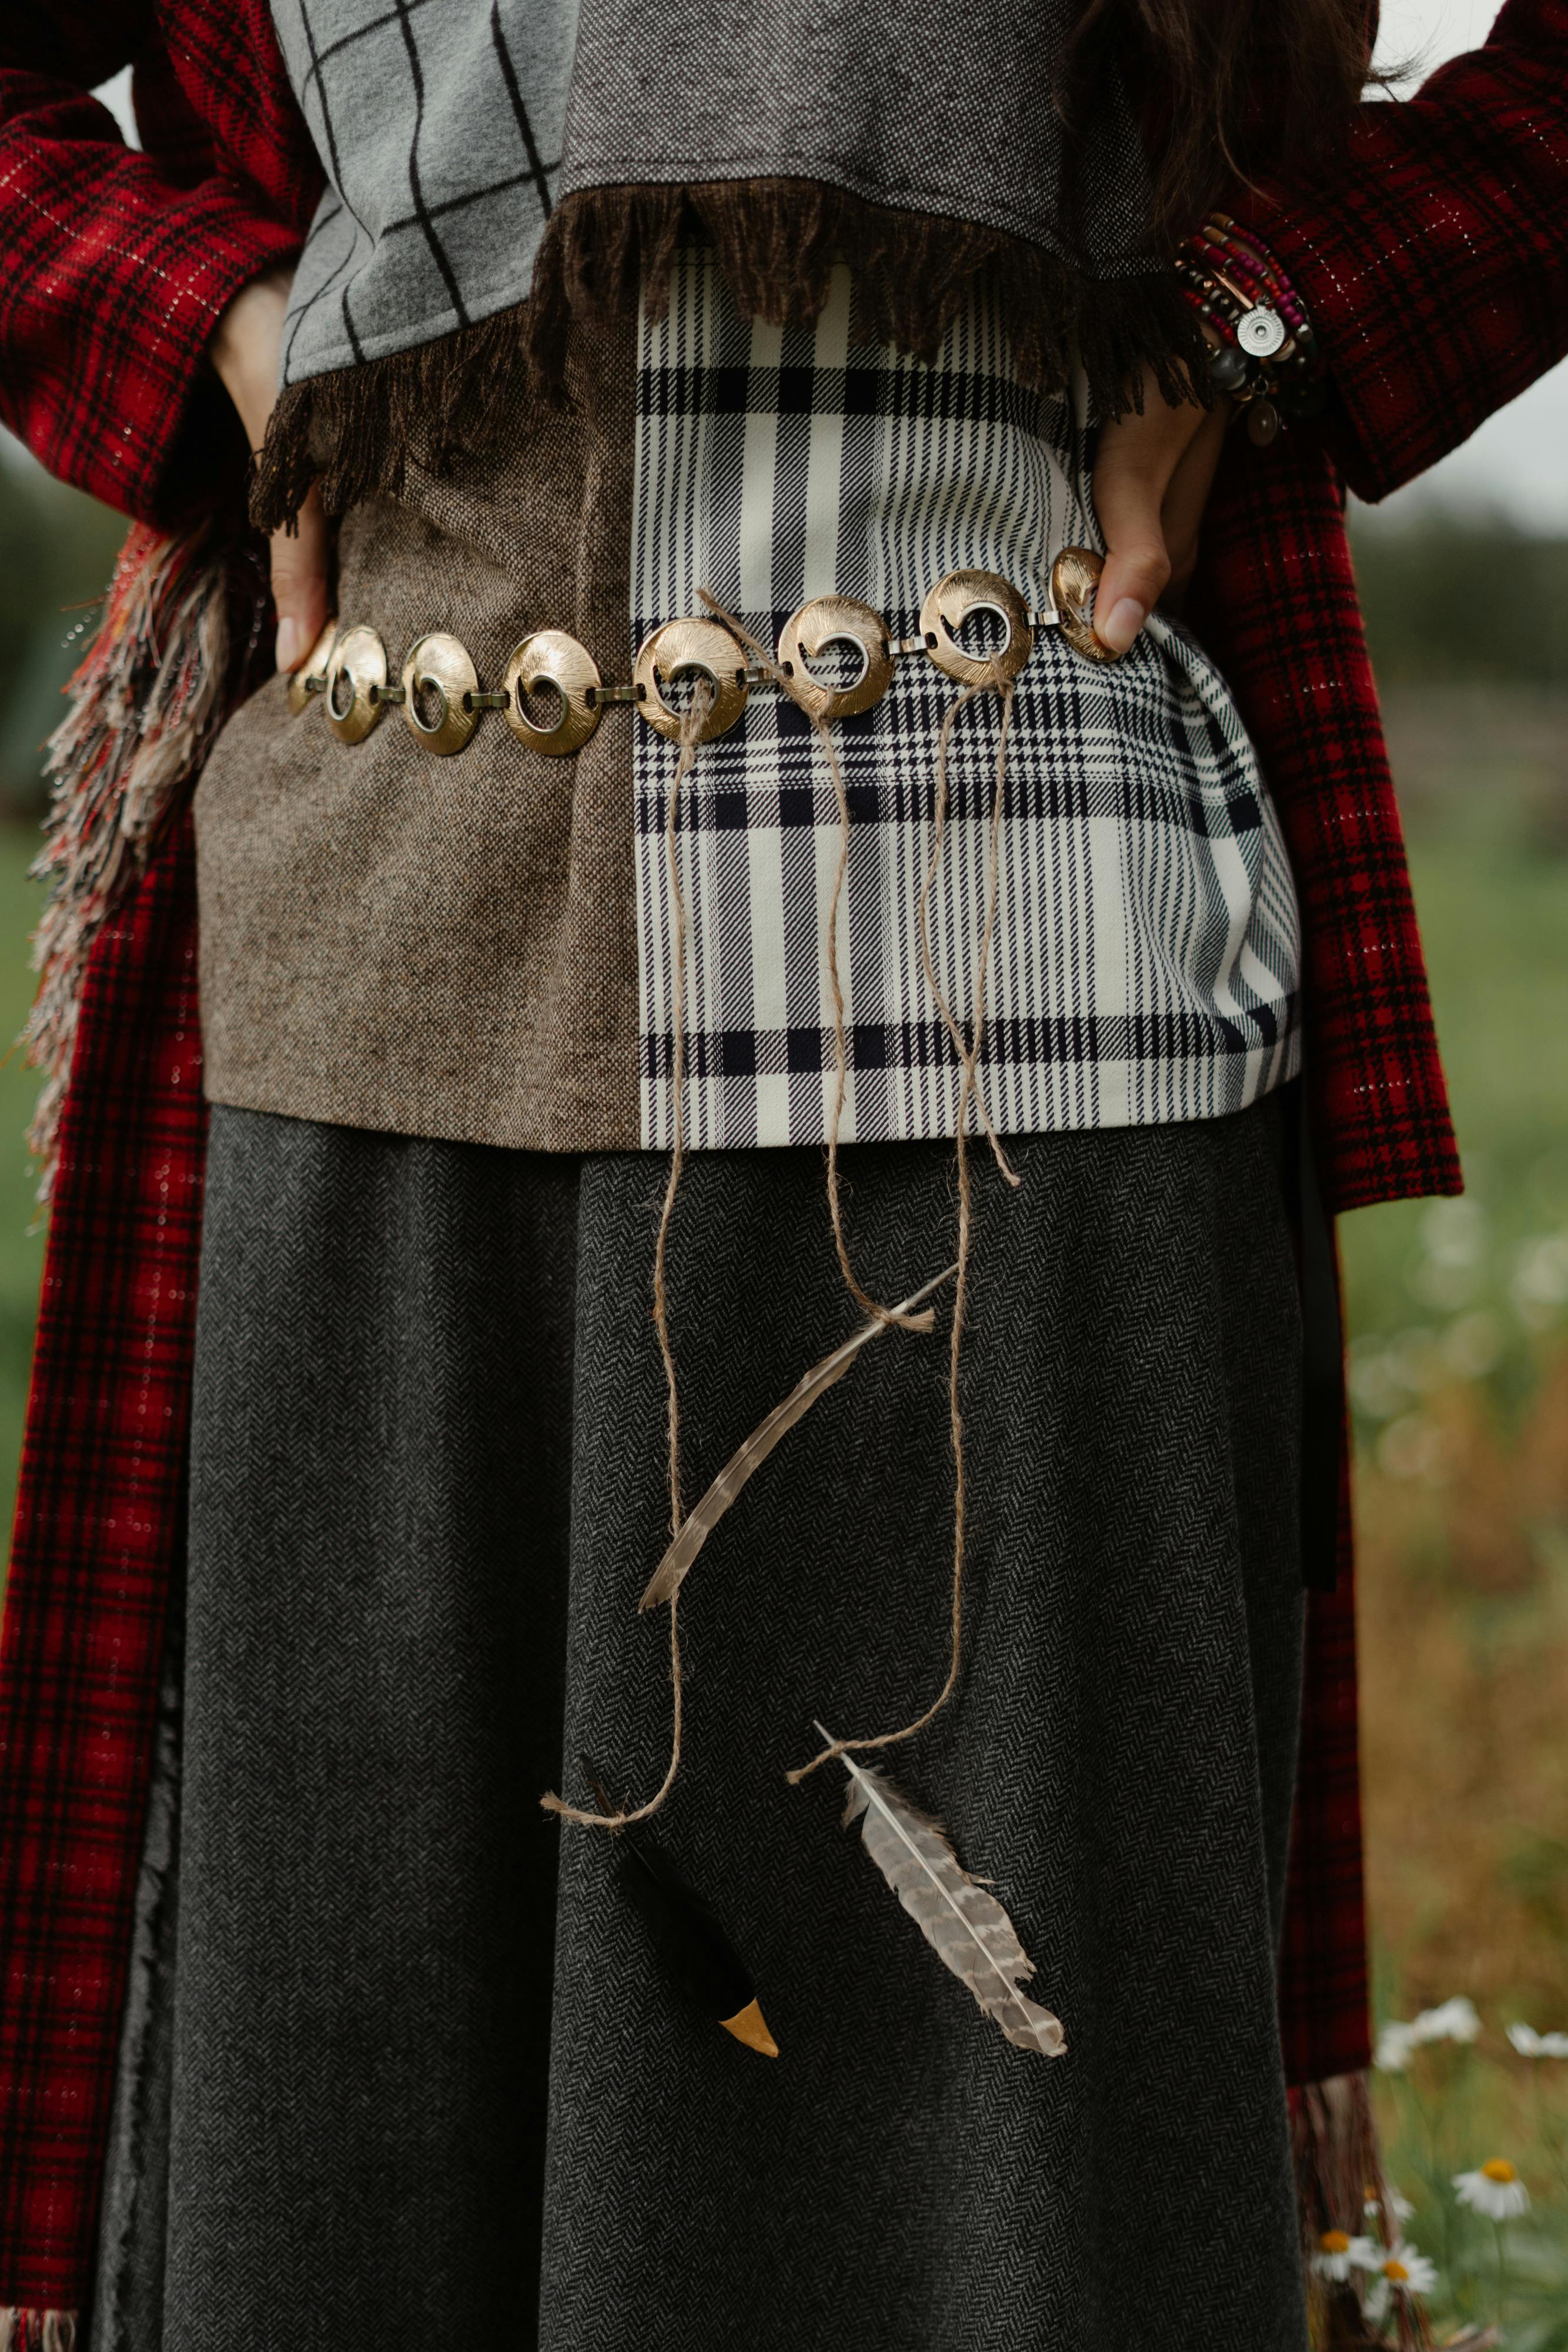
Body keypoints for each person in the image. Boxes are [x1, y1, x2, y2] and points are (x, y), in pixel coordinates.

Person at [0, 4, 1563, 2347]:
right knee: (343, 2178)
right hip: (369, 980)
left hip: (1024, 1003)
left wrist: (1277, 315)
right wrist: (204, 316)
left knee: (990, 2204)